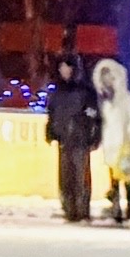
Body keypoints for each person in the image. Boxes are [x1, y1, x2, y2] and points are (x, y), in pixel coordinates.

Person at [39, 53, 102, 225]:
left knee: (80, 176)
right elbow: (52, 115)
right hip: (64, 140)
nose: (64, 71)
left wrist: (94, 135)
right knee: (66, 177)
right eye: (62, 68)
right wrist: (51, 132)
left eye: (67, 68)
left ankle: (82, 211)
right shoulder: (58, 93)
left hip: (80, 140)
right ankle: (69, 209)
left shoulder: (85, 92)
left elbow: (94, 116)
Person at [94, 56, 130, 224]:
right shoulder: (103, 100)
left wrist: (127, 135)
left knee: (129, 182)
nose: (108, 80)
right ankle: (115, 213)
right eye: (104, 77)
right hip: (110, 146)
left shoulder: (126, 99)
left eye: (110, 76)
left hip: (124, 146)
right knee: (114, 181)